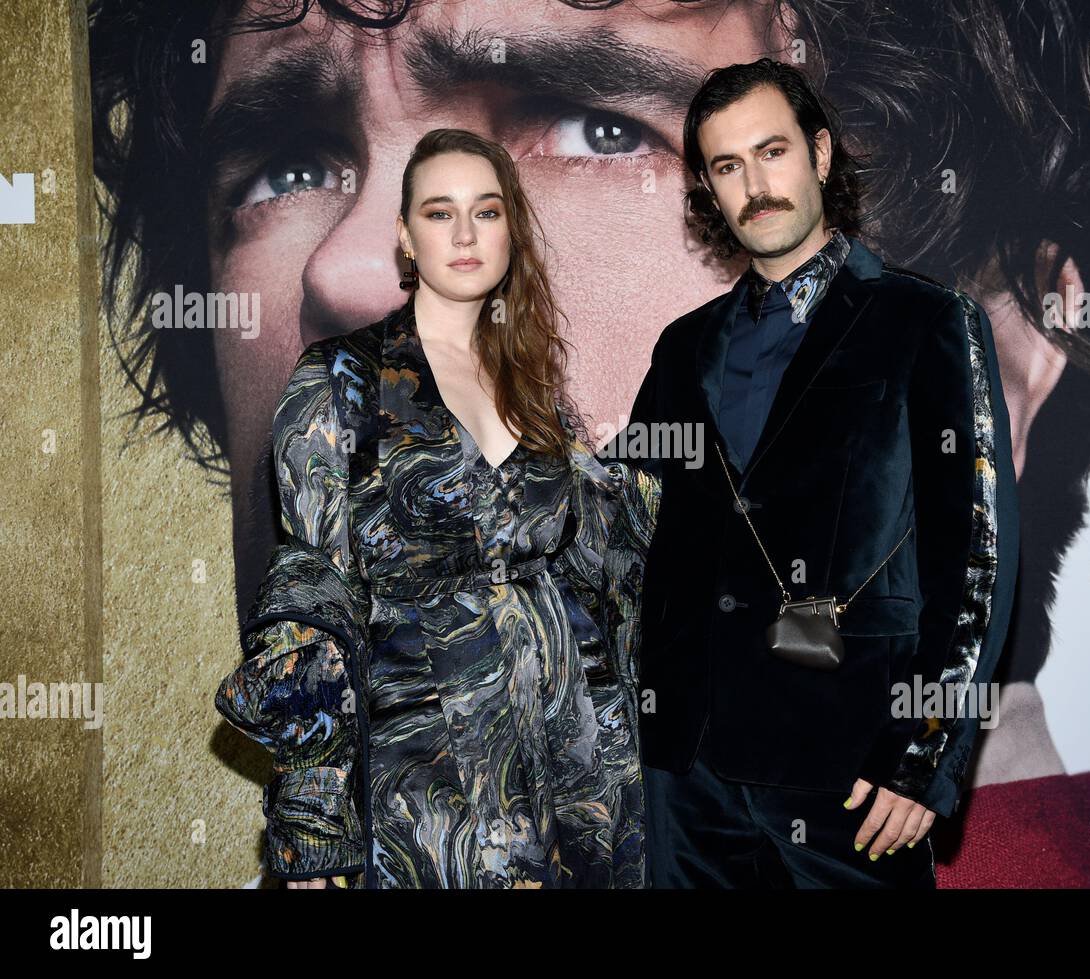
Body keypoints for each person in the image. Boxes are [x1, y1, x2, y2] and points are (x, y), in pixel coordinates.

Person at [214, 129, 658, 888]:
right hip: (425, 797)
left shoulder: (541, 399)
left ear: (510, 232)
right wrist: (317, 819)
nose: (463, 234)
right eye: (438, 212)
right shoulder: (340, 380)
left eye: (486, 212)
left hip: (578, 794)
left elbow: (606, 584)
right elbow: (313, 588)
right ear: (404, 236)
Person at [617, 59, 1018, 888]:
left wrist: (923, 753)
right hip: (690, 783)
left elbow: (976, 558)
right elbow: (628, 530)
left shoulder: (928, 323)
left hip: (851, 774)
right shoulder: (681, 349)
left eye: (773, 153)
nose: (755, 185)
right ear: (708, 189)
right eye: (728, 167)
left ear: (821, 155)